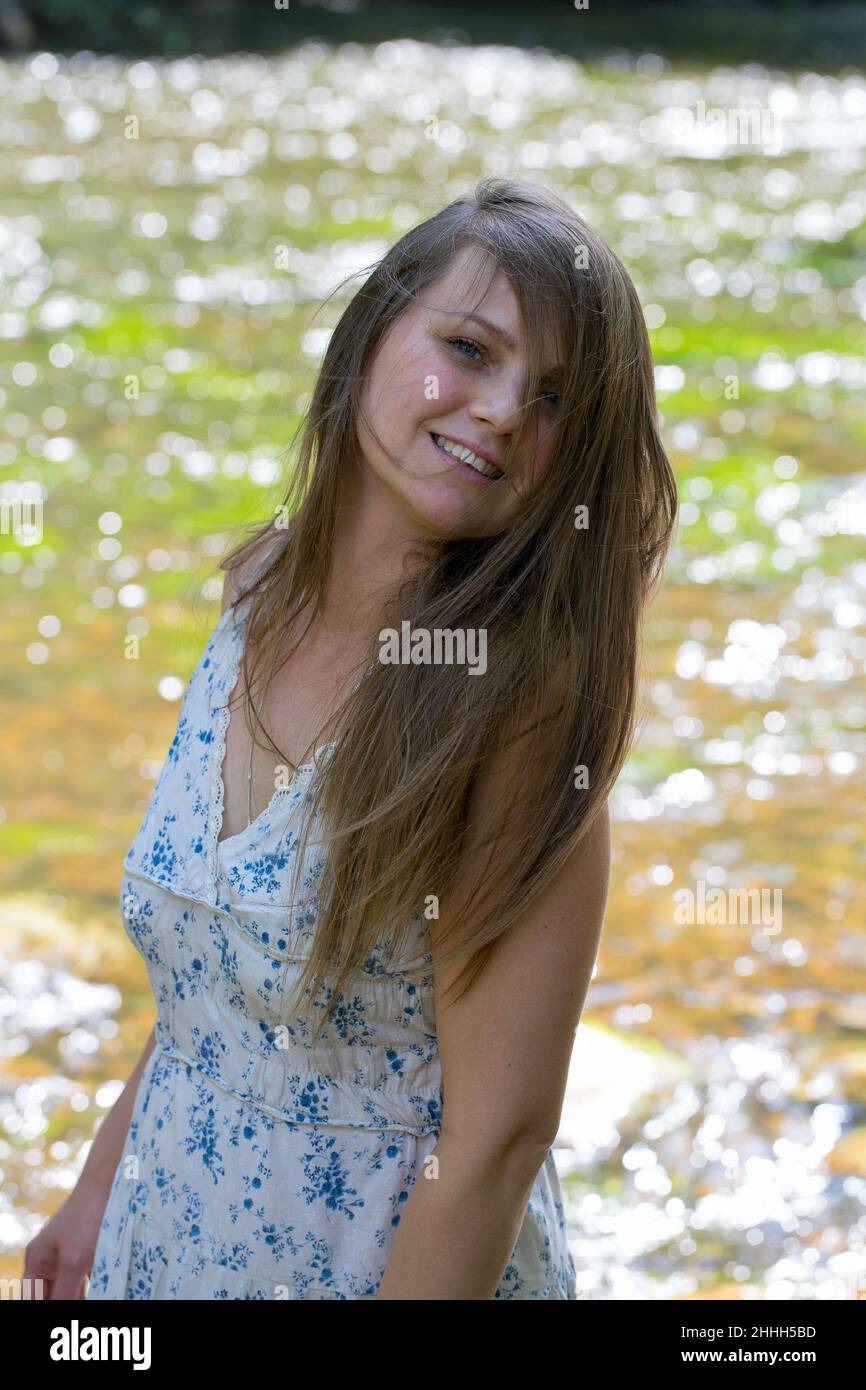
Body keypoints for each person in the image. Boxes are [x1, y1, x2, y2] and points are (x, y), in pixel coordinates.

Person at [25, 177, 677, 1300]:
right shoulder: (259, 593)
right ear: (377, 326)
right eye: (470, 349)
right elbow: (218, 986)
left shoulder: (511, 705)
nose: (502, 411)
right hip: (167, 1235)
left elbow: (495, 1143)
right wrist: (95, 1197)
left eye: (555, 399)